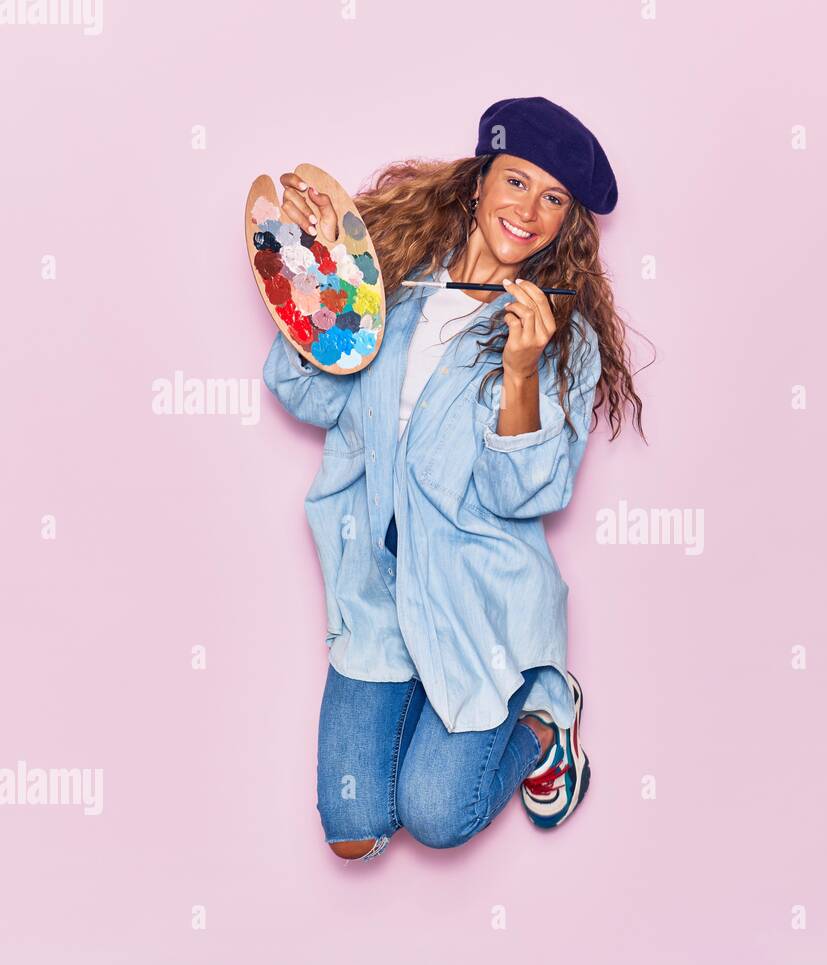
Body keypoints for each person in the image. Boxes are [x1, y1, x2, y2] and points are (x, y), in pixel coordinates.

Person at [261, 97, 644, 862]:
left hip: (477, 606)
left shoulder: (561, 336)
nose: (529, 210)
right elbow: (306, 394)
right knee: (355, 835)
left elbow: (521, 495)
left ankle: (544, 720)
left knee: (436, 815)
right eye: (516, 181)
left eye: (554, 198)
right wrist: (318, 272)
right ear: (478, 182)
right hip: (375, 594)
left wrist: (522, 371)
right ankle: (421, 706)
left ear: (567, 221)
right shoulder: (394, 286)